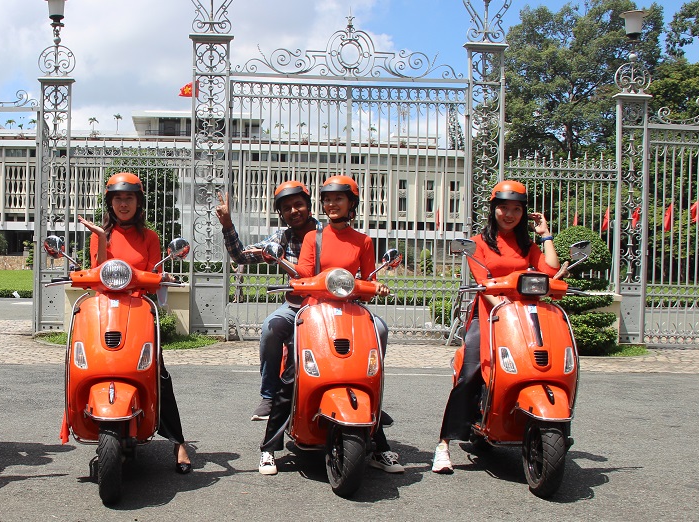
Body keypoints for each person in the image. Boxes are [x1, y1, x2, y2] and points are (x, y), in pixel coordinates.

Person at [258, 175, 403, 475]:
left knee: (374, 350)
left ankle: (378, 445)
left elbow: (368, 281)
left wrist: (375, 287)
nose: (331, 204)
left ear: (352, 203)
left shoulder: (363, 240)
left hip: (351, 312)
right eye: (327, 199)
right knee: (293, 373)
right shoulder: (315, 237)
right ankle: (269, 448)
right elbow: (304, 275)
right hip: (315, 310)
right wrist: (293, 272)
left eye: (338, 198)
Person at [431, 180, 560, 474]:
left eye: (516, 209)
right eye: (504, 207)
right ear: (494, 210)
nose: (510, 214)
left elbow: (550, 271)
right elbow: (483, 283)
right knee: (472, 369)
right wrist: (500, 301)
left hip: (523, 316)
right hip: (487, 315)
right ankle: (444, 443)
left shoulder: (527, 246)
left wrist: (546, 234)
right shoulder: (479, 243)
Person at [76, 172, 192, 474]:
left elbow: (153, 279)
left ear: (138, 203)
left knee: (159, 373)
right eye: (118, 198)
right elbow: (97, 276)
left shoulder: (149, 237)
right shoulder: (99, 234)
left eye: (129, 198)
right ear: (110, 203)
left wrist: (160, 276)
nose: (123, 204)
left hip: (139, 310)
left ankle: (178, 442)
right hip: (106, 310)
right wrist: (101, 239)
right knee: (89, 363)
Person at [215, 181, 319, 421]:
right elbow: (242, 255)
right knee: (271, 328)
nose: (293, 211)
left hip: (327, 307)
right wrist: (227, 224)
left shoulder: (327, 234)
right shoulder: (281, 238)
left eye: (298, 205)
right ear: (281, 214)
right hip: (295, 307)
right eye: (286, 208)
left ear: (309, 207)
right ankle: (269, 395)